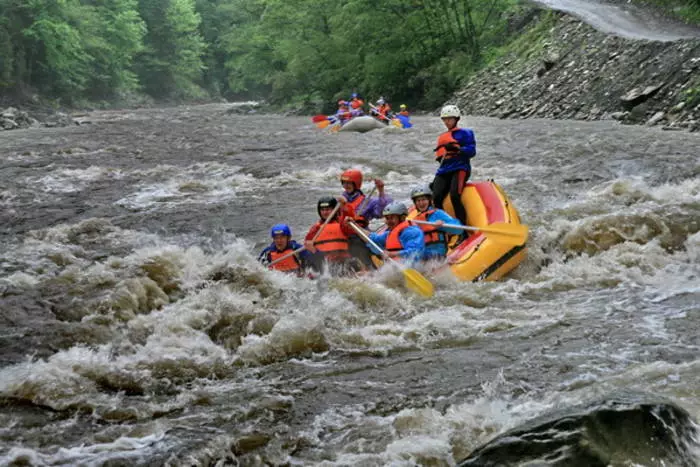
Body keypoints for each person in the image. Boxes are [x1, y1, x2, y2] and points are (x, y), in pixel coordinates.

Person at [431, 104, 476, 226]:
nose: (447, 122)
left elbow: (472, 151)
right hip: (444, 170)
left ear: (456, 119)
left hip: (460, 168)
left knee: (455, 195)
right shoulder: (442, 137)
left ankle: (462, 227)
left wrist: (458, 148)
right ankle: (445, 224)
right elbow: (440, 158)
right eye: (445, 119)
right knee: (436, 197)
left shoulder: (466, 133)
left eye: (449, 119)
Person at [339, 169, 393, 267]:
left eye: (349, 183)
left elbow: (382, 212)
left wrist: (381, 190)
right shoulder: (339, 201)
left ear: (357, 184)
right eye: (344, 183)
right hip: (342, 237)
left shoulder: (367, 201)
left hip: (360, 236)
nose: (346, 186)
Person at [304, 196, 358, 275]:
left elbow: (349, 216)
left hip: (343, 262)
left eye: (328, 209)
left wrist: (344, 205)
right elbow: (308, 246)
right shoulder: (316, 228)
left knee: (354, 263)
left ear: (334, 210)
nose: (325, 212)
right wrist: (310, 247)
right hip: (325, 265)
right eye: (322, 210)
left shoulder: (342, 224)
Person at [408, 184, 464, 260]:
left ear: (429, 200)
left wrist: (443, 225)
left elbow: (459, 229)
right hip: (424, 256)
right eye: (418, 201)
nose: (421, 203)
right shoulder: (416, 220)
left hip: (438, 255)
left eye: (424, 199)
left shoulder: (438, 213)